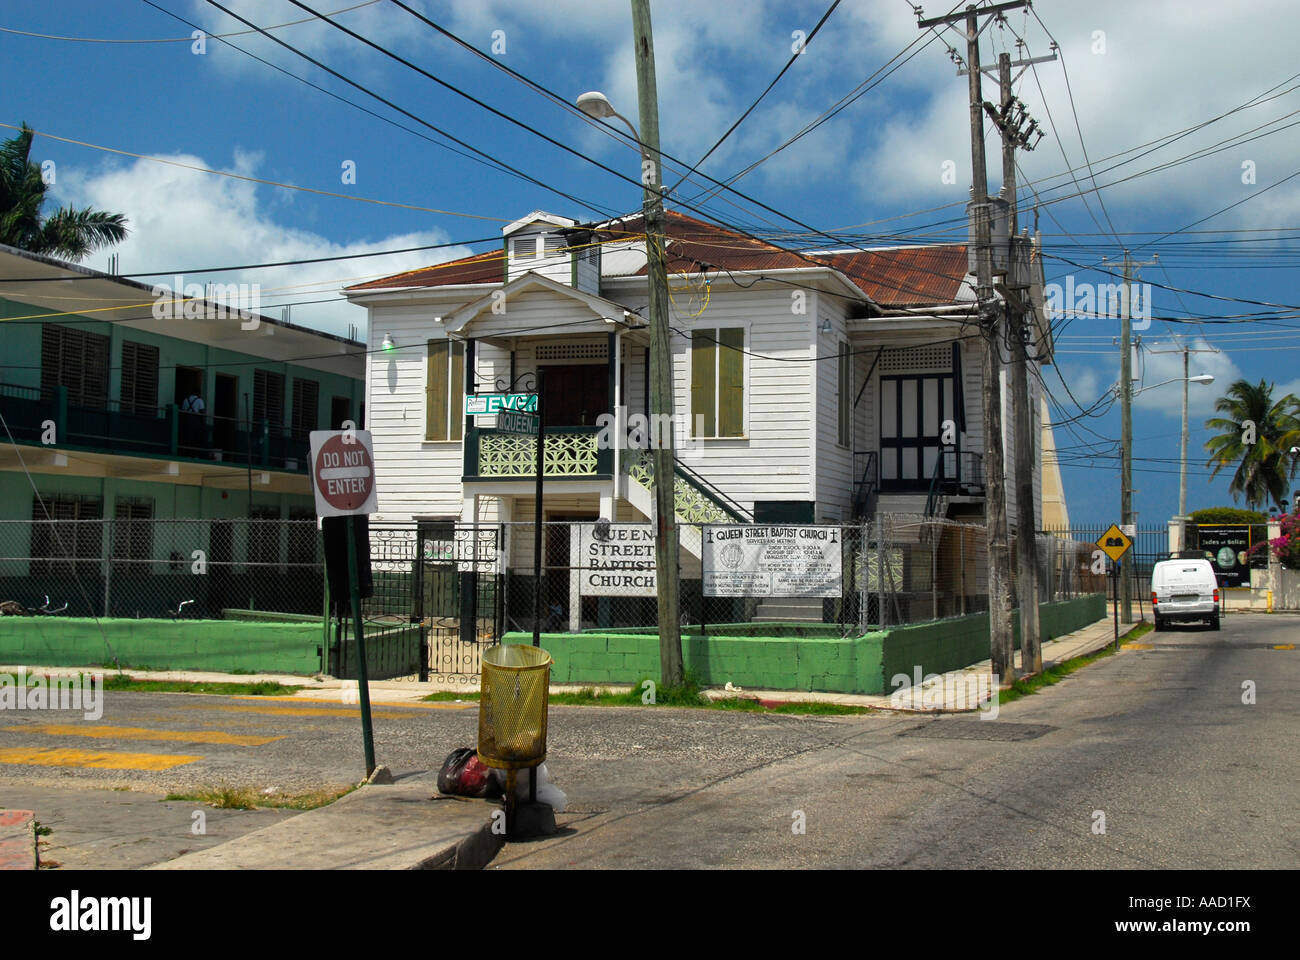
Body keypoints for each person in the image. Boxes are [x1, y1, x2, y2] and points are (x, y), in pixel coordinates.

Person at [179, 391, 206, 455]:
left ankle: (186, 452)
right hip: (196, 421)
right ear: (198, 393)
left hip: (187, 421)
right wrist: (203, 424)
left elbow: (183, 411)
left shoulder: (186, 400)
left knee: (187, 438)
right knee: (195, 438)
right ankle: (194, 453)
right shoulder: (200, 400)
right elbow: (202, 412)